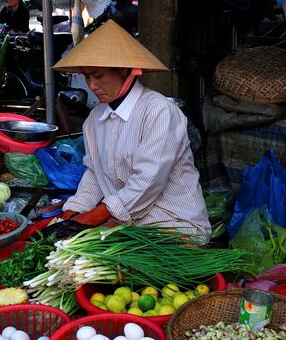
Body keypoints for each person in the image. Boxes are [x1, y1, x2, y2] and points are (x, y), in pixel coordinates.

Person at [53, 21, 210, 242]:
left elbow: (148, 180)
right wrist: (74, 211)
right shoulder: (94, 119)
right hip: (127, 226)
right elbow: (95, 173)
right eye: (87, 77)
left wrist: (98, 214)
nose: (92, 85)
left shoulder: (158, 111)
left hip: (176, 227)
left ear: (125, 71)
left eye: (98, 76)